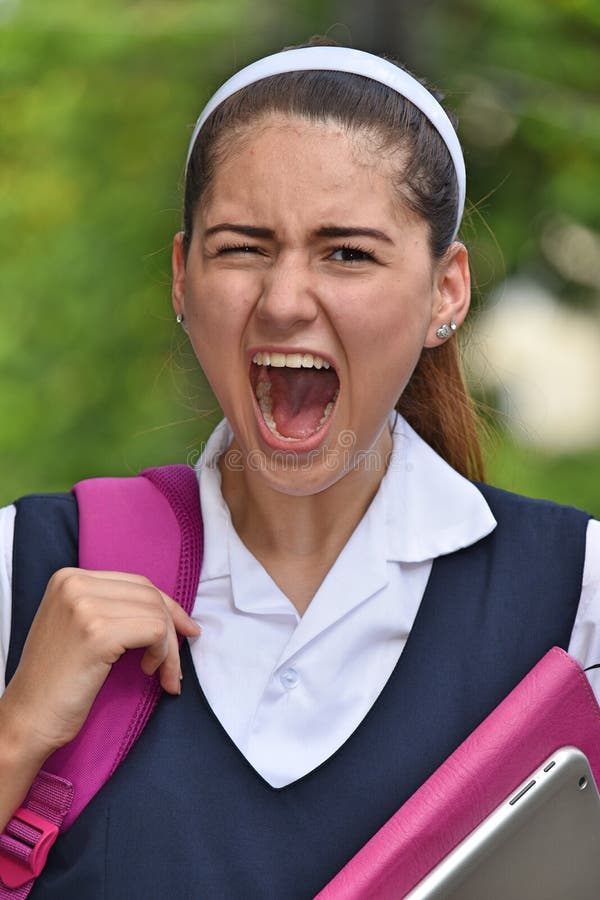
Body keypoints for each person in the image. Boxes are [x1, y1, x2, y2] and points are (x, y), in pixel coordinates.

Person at [0, 39, 598, 899]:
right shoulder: (26, 569)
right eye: (242, 249)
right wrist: (19, 731)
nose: (283, 300)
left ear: (447, 291)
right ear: (181, 278)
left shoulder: (577, 599)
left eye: (346, 253)